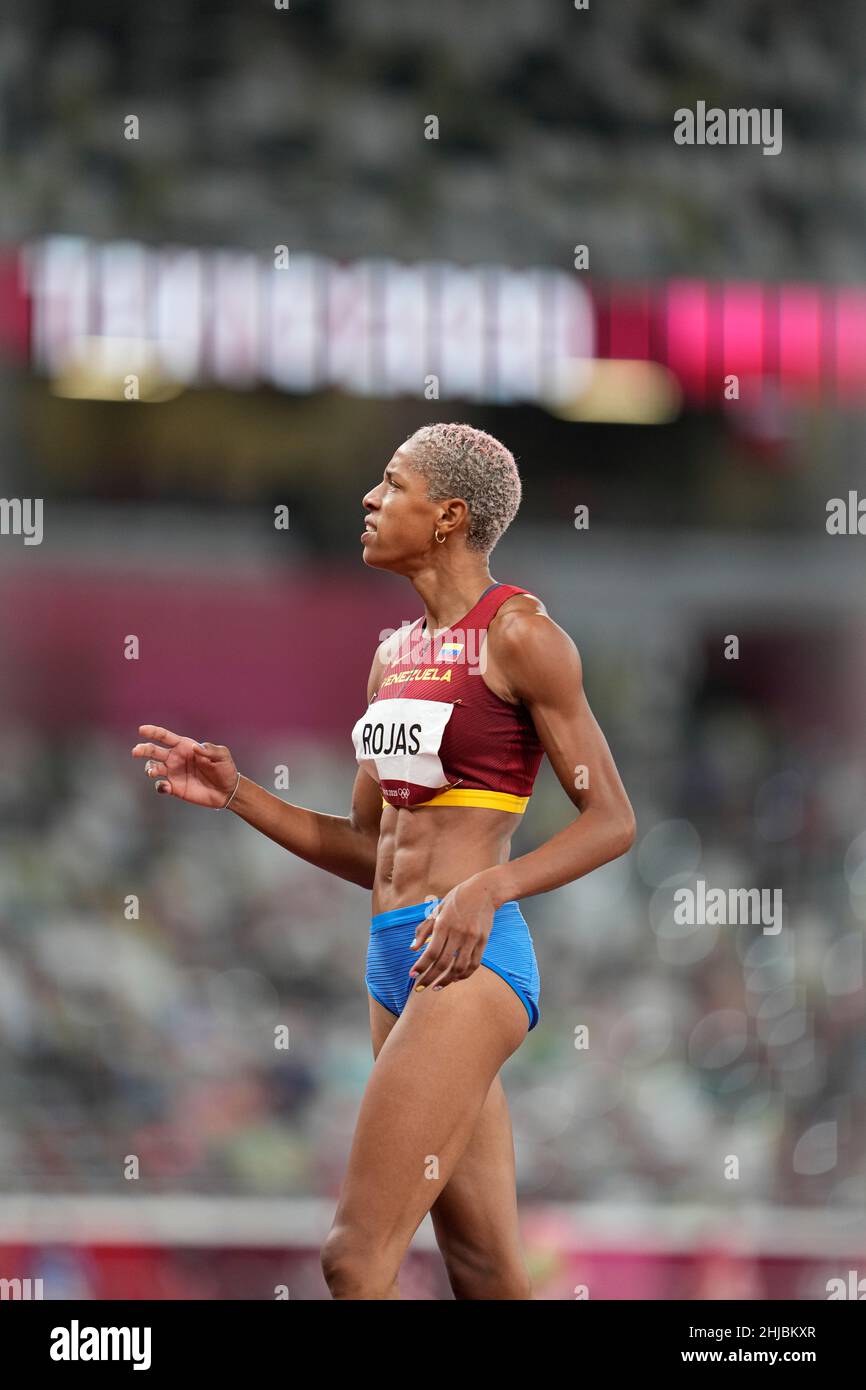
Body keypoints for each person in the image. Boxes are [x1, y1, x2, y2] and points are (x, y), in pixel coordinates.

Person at [132, 422, 635, 1300]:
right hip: (394, 962)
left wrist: (492, 884)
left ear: (446, 516)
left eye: (391, 484)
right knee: (484, 1270)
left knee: (352, 1258)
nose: (368, 499)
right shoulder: (391, 657)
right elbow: (371, 850)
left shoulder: (520, 636)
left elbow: (613, 820)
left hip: (470, 964)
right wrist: (241, 792)